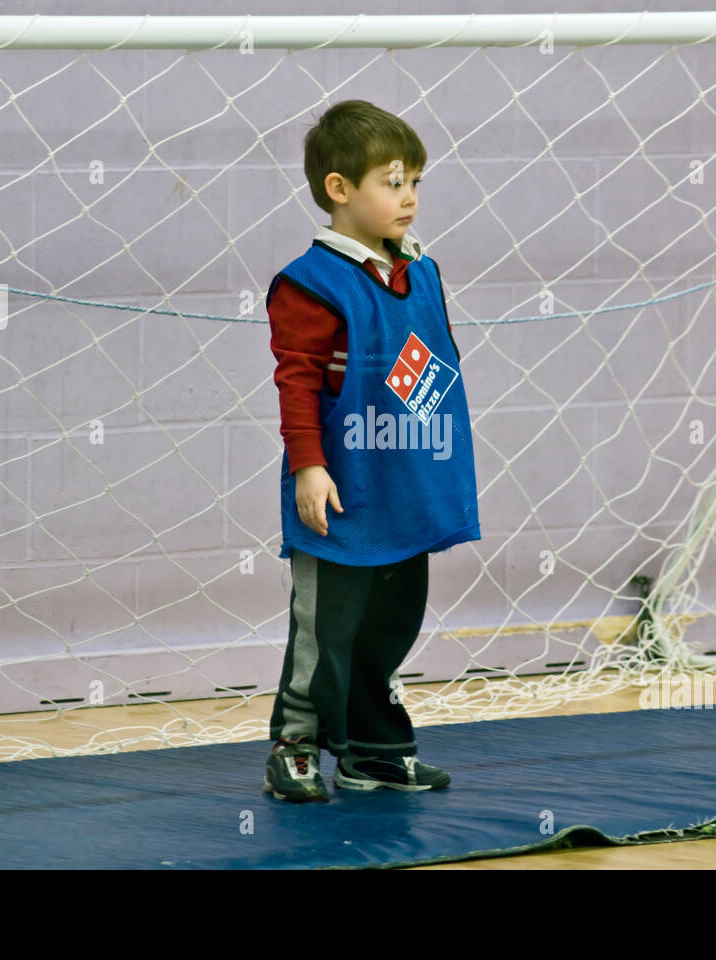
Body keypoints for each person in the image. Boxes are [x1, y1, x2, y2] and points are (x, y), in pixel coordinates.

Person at [263, 99, 481, 802]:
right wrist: (309, 466)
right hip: (343, 491)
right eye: (393, 181)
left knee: (390, 627)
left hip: (405, 485)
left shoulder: (424, 271)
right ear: (339, 189)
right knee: (325, 631)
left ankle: (373, 753)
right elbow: (296, 385)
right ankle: (294, 745)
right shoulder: (310, 283)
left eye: (416, 180)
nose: (410, 197)